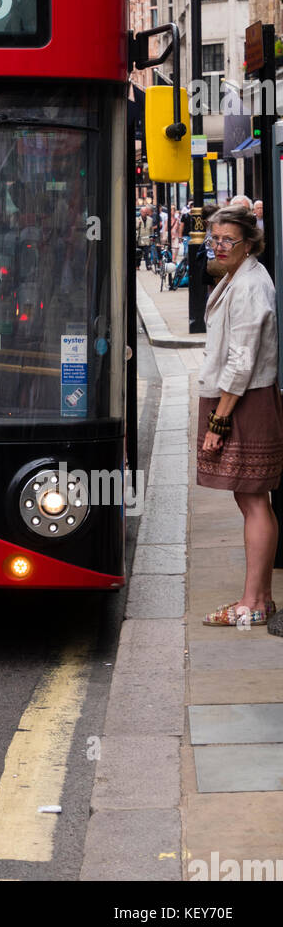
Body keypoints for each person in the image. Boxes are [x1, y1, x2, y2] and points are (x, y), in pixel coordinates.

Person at [197, 205, 283, 626]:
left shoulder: (249, 285)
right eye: (215, 238)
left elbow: (242, 358)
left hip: (243, 400)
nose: (219, 245)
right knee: (249, 496)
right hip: (240, 398)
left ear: (249, 243)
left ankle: (251, 603)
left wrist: (218, 421)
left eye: (228, 239)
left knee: (252, 498)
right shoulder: (238, 277)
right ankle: (261, 598)